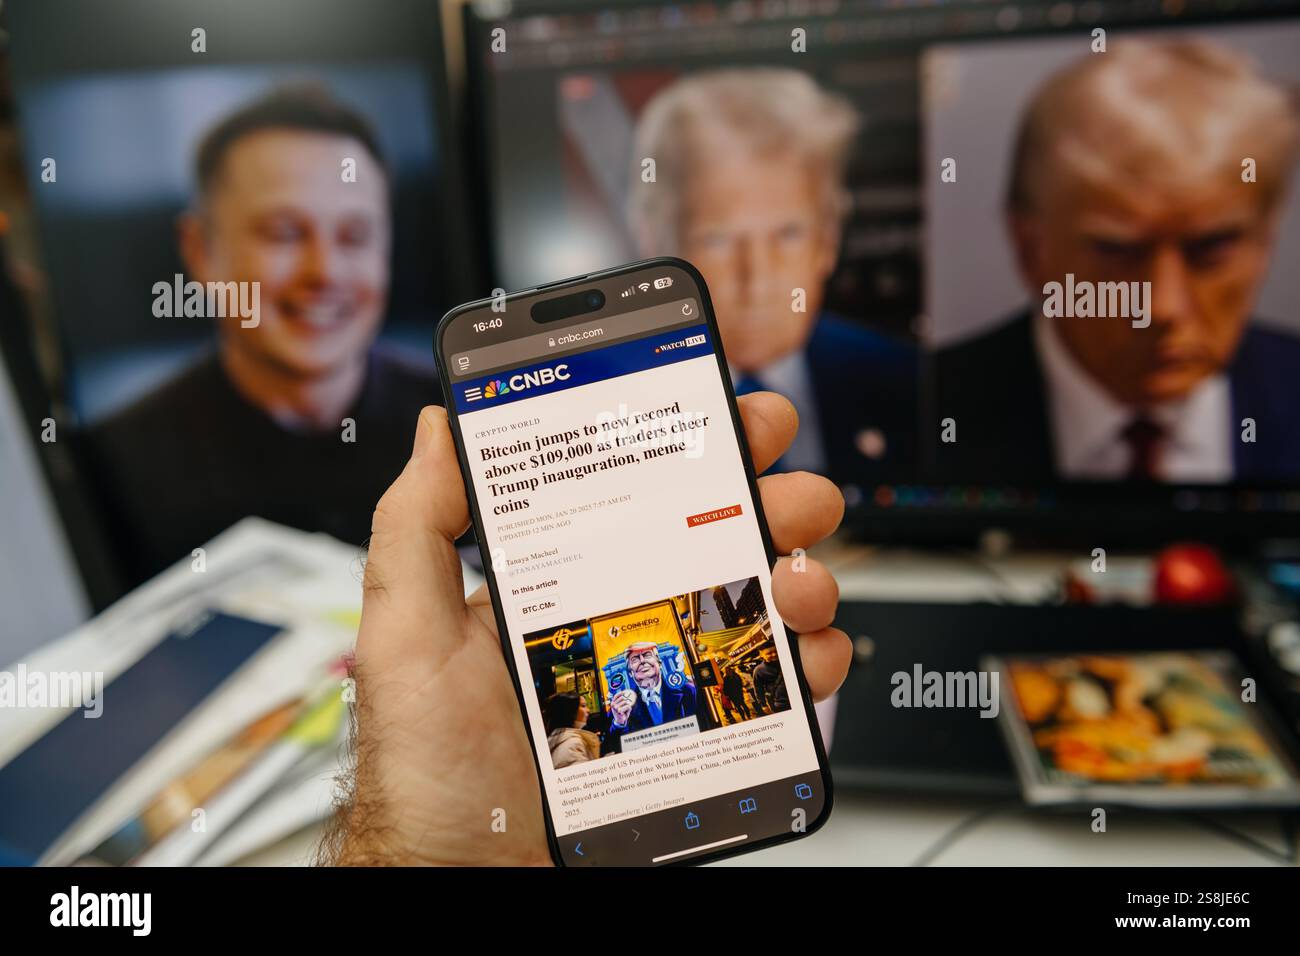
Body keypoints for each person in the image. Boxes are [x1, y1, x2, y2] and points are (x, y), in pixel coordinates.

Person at [317, 393, 851, 865]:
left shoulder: (689, 685)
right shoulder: (607, 715)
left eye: (647, 657)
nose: (642, 665)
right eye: (636, 659)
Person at [85, 84, 440, 585]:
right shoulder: (109, 472)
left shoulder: (462, 424)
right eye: (284, 233)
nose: (325, 271)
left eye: (355, 236)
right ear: (199, 250)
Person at [934, 39, 1300, 483]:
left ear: (1266, 242)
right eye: (1117, 252)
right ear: (1029, 247)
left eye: (1211, 250)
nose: (1162, 308)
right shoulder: (925, 409)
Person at [628, 69, 917, 482]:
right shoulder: (602, 410)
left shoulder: (907, 383)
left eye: (788, 234)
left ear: (828, 240)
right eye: (718, 240)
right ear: (654, 244)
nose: (758, 281)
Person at [607, 641, 697, 739]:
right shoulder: (619, 709)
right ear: (630, 673)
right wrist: (619, 723)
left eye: (647, 655)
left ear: (660, 664)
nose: (642, 661)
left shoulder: (689, 691)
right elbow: (613, 746)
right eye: (635, 659)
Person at [542, 693, 600, 768]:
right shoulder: (573, 744)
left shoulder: (559, 739)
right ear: (569, 711)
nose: (588, 710)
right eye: (583, 706)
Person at [752, 646, 790, 716]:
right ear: (761, 655)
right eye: (769, 653)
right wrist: (763, 705)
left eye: (775, 651)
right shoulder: (758, 670)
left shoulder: (787, 660)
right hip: (779, 704)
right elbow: (758, 689)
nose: (774, 654)